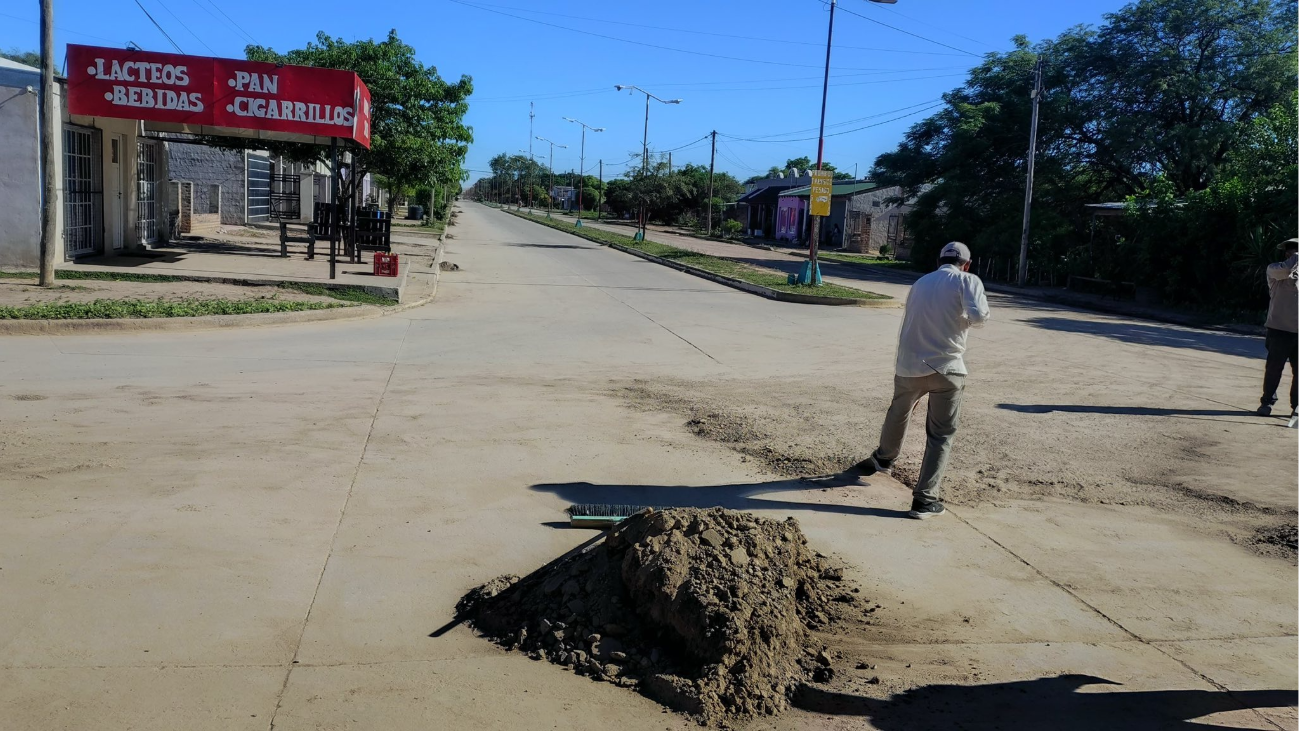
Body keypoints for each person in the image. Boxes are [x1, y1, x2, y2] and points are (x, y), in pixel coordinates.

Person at [853, 241, 990, 519]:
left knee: (899, 412)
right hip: (946, 368)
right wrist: (962, 321)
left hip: (909, 365)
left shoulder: (920, 283)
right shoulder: (968, 280)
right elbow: (979, 316)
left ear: (938, 261)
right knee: (940, 435)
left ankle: (884, 458)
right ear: (966, 264)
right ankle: (925, 500)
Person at [1258, 238, 1298, 418]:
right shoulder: (1275, 270)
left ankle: (1297, 406)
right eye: (1291, 253)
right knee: (1274, 369)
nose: (1292, 255)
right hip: (1279, 330)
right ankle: (1267, 402)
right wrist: (1297, 258)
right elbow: (1287, 270)